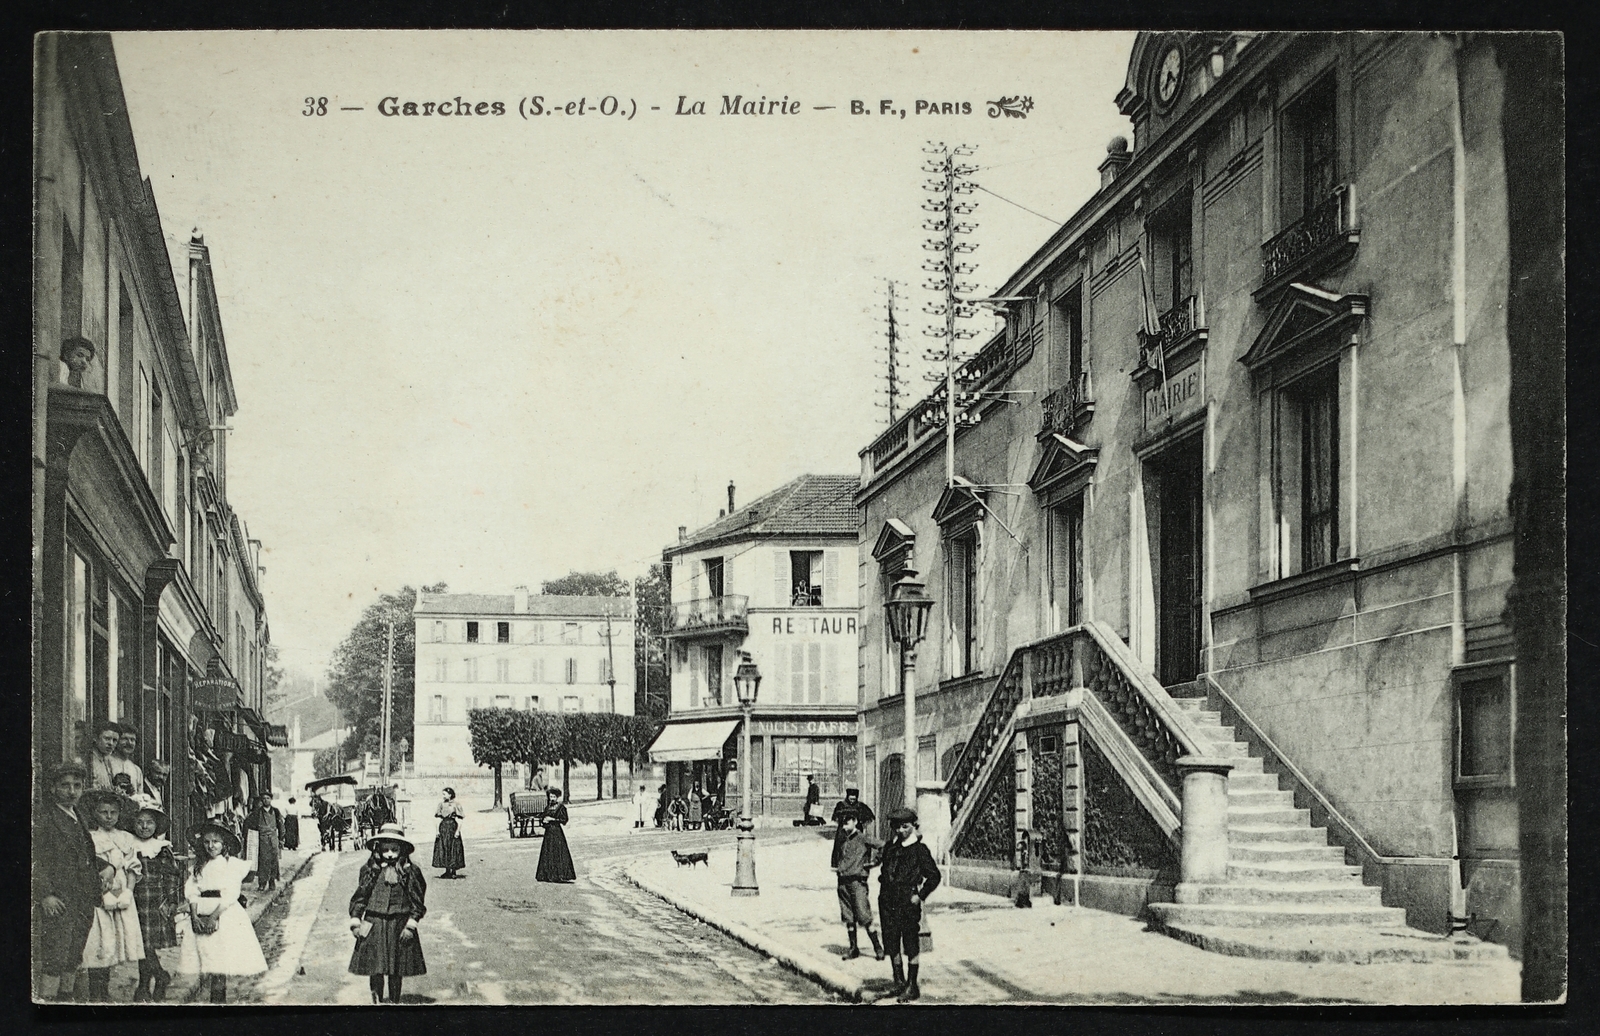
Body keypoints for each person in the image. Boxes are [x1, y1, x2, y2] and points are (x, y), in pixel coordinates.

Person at [34, 761, 112, 1001]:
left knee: (73, 953)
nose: (72, 791)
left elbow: (83, 853)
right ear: (52, 788)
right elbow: (37, 859)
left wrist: (108, 867)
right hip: (60, 898)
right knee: (55, 955)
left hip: (82, 897)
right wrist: (46, 894)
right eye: (65, 786)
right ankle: (47, 1004)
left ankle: (66, 998)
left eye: (77, 786)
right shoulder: (46, 820)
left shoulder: (77, 815)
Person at [177, 821, 268, 1003]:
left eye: (216, 842)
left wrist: (213, 917)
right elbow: (193, 892)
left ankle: (218, 1002)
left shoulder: (230, 865)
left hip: (224, 914)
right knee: (207, 960)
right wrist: (194, 916)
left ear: (224, 844)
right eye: (207, 842)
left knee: (220, 963)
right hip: (201, 913)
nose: (211, 846)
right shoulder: (199, 866)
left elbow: (231, 894)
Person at [348, 822, 427, 1004]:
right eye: (386, 850)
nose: (390, 854)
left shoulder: (410, 872)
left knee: (395, 967)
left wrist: (411, 924)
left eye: (394, 849)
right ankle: (376, 1000)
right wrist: (355, 921)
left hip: (397, 924)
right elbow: (360, 897)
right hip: (373, 923)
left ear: (402, 850)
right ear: (378, 849)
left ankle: (394, 1001)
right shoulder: (370, 871)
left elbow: (417, 901)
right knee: (375, 966)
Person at [81, 789, 145, 1001]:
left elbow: (133, 868)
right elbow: (89, 867)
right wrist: (100, 891)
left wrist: (128, 891)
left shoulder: (126, 838)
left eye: (113, 812)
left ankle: (105, 990)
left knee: (114, 944)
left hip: (122, 896)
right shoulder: (90, 836)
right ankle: (95, 993)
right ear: (95, 813)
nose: (109, 817)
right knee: (98, 941)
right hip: (99, 896)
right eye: (103, 812)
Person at [878, 806, 941, 1002]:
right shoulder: (890, 847)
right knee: (891, 940)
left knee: (910, 942)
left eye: (905, 826)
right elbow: (884, 871)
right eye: (896, 827)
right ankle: (898, 981)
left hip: (907, 901)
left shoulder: (919, 850)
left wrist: (920, 896)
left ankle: (912, 986)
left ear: (914, 826)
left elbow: (934, 876)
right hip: (888, 900)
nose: (900, 831)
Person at [129, 797, 182, 1001]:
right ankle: (158, 977)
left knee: (147, 945)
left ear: (156, 826)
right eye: (140, 822)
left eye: (149, 822)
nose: (144, 826)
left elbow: (171, 876)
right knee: (141, 944)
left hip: (155, 901)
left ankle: (146, 985)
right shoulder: (129, 844)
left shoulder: (161, 847)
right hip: (135, 900)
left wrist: (171, 901)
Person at [834, 811, 885, 962]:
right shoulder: (843, 839)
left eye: (847, 822)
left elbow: (882, 846)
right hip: (843, 881)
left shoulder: (862, 838)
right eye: (842, 823)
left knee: (864, 915)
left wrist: (874, 863)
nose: (844, 825)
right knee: (848, 916)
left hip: (857, 882)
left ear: (855, 821)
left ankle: (878, 948)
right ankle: (853, 948)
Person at [534, 788, 576, 883]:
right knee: (548, 852)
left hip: (557, 833)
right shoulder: (547, 807)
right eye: (550, 796)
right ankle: (548, 875)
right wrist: (544, 821)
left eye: (554, 797)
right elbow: (543, 818)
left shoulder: (561, 807)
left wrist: (552, 819)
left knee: (558, 853)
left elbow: (564, 820)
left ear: (557, 797)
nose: (552, 798)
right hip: (548, 833)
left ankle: (559, 875)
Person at [831, 788, 876, 869]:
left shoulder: (860, 806)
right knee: (841, 846)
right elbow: (835, 817)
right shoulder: (841, 805)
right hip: (843, 830)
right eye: (850, 799)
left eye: (854, 799)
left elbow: (870, 817)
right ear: (847, 797)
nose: (852, 801)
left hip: (857, 829)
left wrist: (862, 822)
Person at [245, 796, 283, 890]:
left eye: (268, 798)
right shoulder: (257, 812)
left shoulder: (276, 811)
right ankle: (262, 883)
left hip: (273, 839)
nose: (266, 800)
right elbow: (248, 822)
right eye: (264, 798)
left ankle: (272, 881)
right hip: (262, 839)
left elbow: (281, 825)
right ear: (262, 800)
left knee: (274, 860)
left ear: (271, 799)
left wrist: (281, 838)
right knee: (263, 861)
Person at [432, 788, 466, 879]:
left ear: (450, 795)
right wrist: (437, 831)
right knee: (444, 847)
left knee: (454, 848)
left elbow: (460, 819)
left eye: (444, 794)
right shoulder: (441, 805)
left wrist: (457, 831)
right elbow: (438, 819)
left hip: (452, 827)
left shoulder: (456, 804)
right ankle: (447, 871)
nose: (443, 796)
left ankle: (453, 871)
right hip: (443, 828)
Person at [85, 721, 125, 793]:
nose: (111, 743)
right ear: (96, 738)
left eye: (114, 740)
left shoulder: (109, 761)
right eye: (107, 739)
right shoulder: (88, 761)